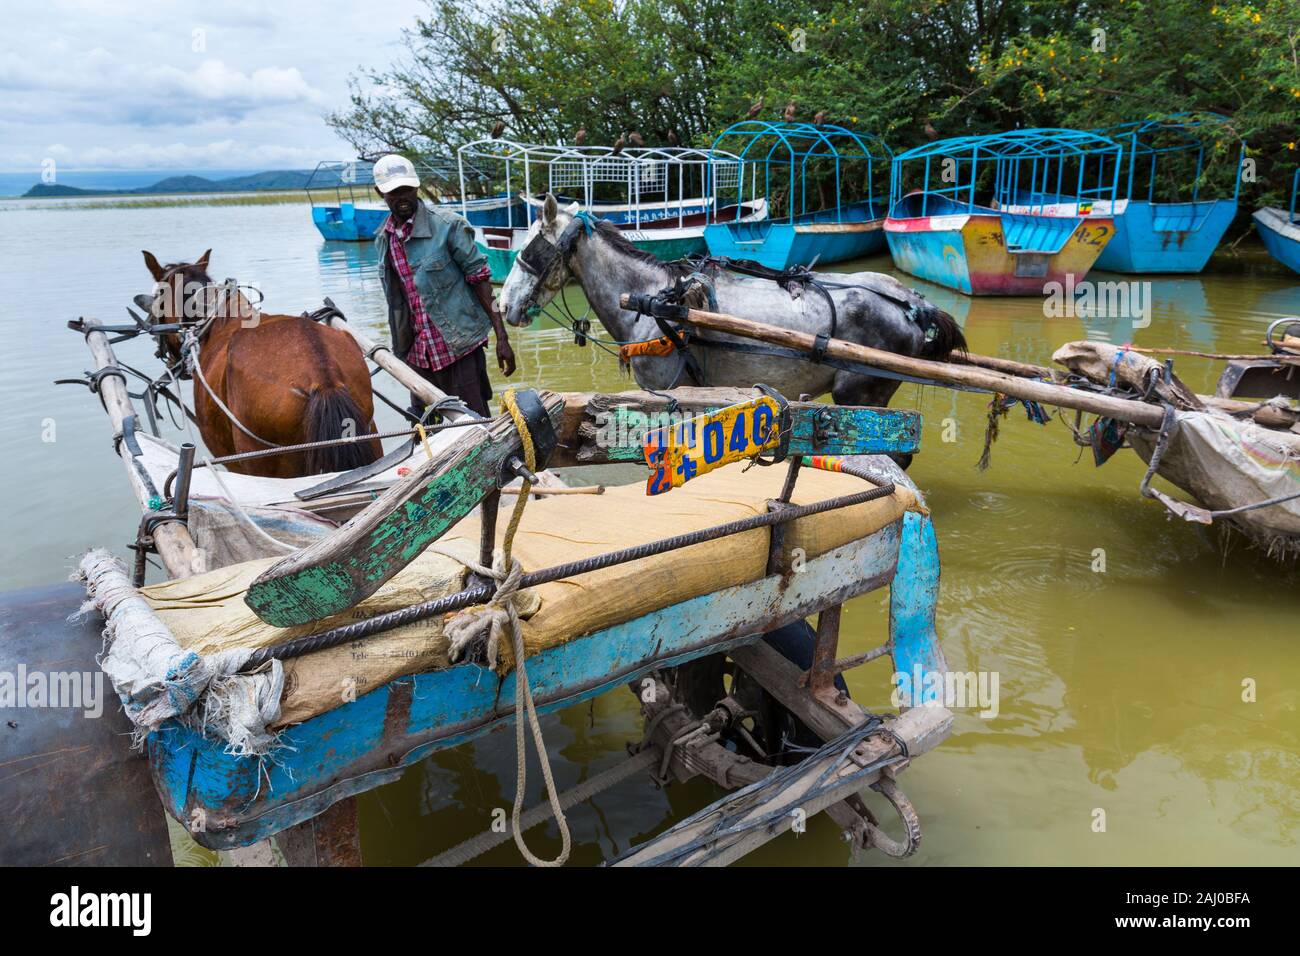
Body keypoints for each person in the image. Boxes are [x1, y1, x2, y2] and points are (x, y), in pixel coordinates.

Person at [372, 153, 515, 418]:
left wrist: (502, 338)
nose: (402, 196)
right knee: (425, 427)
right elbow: (399, 301)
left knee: (473, 424)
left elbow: (482, 283)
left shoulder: (448, 226)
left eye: (407, 189)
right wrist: (400, 352)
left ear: (416, 186)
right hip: (417, 355)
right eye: (394, 192)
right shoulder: (384, 239)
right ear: (380, 192)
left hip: (458, 349)